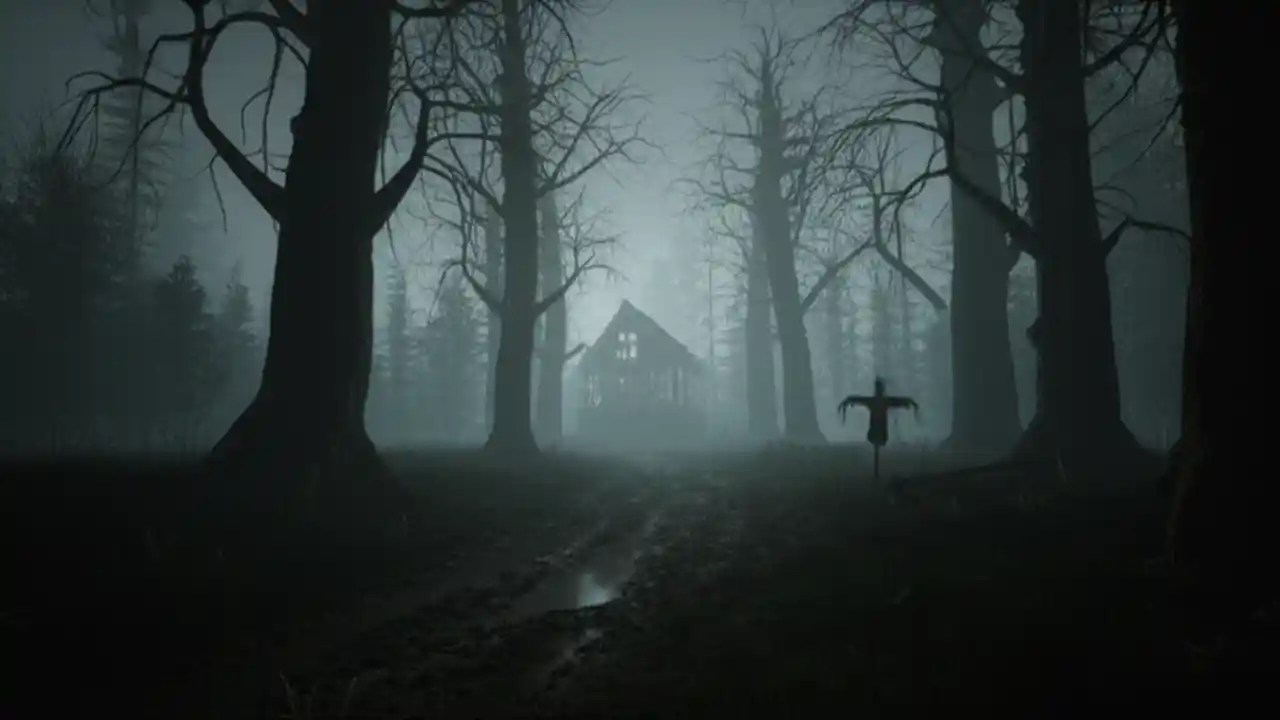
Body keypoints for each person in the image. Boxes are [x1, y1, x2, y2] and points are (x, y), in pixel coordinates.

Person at [838, 378, 919, 482]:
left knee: (877, 448)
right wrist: (909, 403)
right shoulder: (880, 401)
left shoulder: (878, 401)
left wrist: (909, 402)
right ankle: (876, 472)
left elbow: (898, 401)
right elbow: (898, 401)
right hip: (877, 427)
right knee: (877, 448)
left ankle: (876, 472)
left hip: (878, 427)